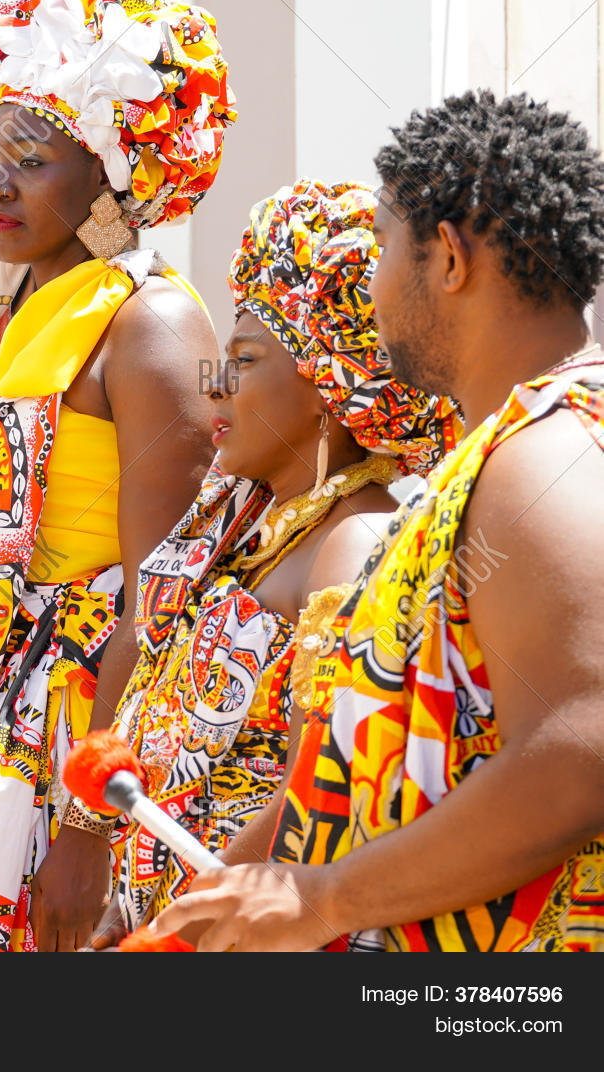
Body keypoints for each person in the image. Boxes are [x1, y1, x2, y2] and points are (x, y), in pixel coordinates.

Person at [153, 90, 604, 952]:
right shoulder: (506, 449)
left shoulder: (542, 455)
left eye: (384, 247)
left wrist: (326, 900)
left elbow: (581, 751)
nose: (372, 284)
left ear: (448, 256)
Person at [0, 0, 235, 951]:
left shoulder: (149, 322)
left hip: (72, 746)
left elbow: (165, 599)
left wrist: (91, 821)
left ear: (110, 164)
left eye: (30, 159)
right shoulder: (23, 310)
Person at [101, 180, 459, 941]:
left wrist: (184, 923)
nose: (217, 384)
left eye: (246, 359)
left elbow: (316, 783)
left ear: (329, 387)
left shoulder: (358, 543)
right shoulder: (245, 517)